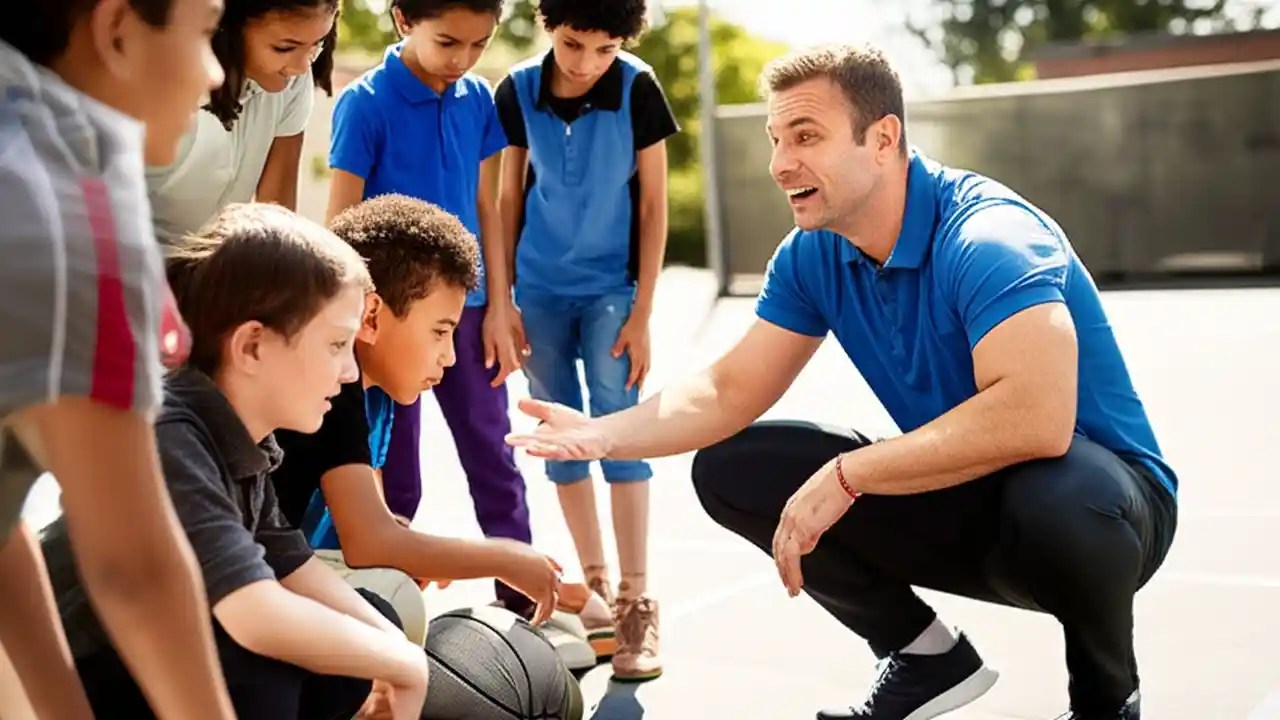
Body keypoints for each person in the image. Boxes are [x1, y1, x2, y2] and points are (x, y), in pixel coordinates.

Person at [507, 43, 1178, 720]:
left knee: (1059, 491)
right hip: (973, 498)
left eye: (805, 137)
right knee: (735, 468)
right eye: (775, 140)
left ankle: (1106, 700)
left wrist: (850, 474)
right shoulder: (814, 255)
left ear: (882, 138)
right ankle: (924, 658)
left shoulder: (989, 237)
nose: (779, 164)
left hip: (1104, 516)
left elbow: (1038, 418)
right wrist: (601, 434)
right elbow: (727, 391)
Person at [41, 203, 431, 720]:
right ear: (251, 346)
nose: (347, 372)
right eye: (337, 344)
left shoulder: (243, 440)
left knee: (364, 624)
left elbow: (293, 566)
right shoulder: (167, 434)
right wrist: (404, 664)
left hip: (153, 657)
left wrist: (395, 647)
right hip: (74, 679)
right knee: (254, 670)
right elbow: (252, 613)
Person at [0, 1, 238, 718]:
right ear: (116, 31)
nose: (213, 74)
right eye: (204, 33)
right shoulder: (62, 199)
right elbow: (133, 566)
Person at [270, 194, 563, 646]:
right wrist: (506, 558)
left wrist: (417, 552)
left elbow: (380, 529)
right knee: (391, 607)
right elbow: (370, 542)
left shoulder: (381, 396)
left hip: (284, 572)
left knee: (396, 591)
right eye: (440, 331)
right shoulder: (334, 388)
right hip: (243, 584)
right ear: (371, 315)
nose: (448, 357)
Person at [324, 0, 537, 618]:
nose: (462, 60)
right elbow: (343, 225)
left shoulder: (478, 100)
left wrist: (501, 305)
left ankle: (523, 607)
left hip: (468, 315)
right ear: (401, 20)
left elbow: (487, 207)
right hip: (387, 323)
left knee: (493, 457)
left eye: (478, 44)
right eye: (448, 42)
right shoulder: (365, 104)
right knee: (394, 472)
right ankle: (387, 608)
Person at [494, 0, 678, 681]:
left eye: (605, 49)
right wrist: (505, 300)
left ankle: (636, 599)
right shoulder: (514, 89)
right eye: (574, 45)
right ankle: (596, 591)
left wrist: (644, 311)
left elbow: (654, 203)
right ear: (550, 27)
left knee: (620, 430)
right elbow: (506, 198)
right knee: (560, 437)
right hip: (538, 291)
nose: (587, 63)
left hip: (613, 292)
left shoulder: (637, 86)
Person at [147, 0, 338, 242]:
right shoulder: (163, 80)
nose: (301, 68)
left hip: (221, 266)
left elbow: (277, 215)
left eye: (316, 45)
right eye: (284, 48)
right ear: (230, 26)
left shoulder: (292, 84)